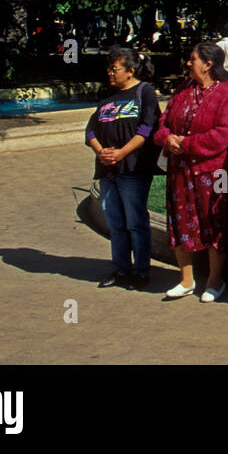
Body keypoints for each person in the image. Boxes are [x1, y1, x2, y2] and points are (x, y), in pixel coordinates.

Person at [153, 42, 228, 302]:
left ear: (208, 64)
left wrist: (186, 144)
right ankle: (186, 279)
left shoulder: (227, 92)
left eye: (193, 59)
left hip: (217, 172)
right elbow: (164, 121)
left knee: (215, 221)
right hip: (180, 170)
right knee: (180, 220)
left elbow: (223, 134)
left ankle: (215, 280)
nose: (189, 63)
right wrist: (167, 138)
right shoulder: (184, 89)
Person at [86, 46, 160, 290]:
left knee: (135, 222)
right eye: (108, 68)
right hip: (108, 170)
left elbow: (148, 128)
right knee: (115, 223)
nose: (110, 72)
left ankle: (140, 271)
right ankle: (120, 269)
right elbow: (90, 131)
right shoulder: (107, 98)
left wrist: (122, 153)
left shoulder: (144, 91)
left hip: (133, 169)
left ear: (130, 71)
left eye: (114, 68)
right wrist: (100, 151)